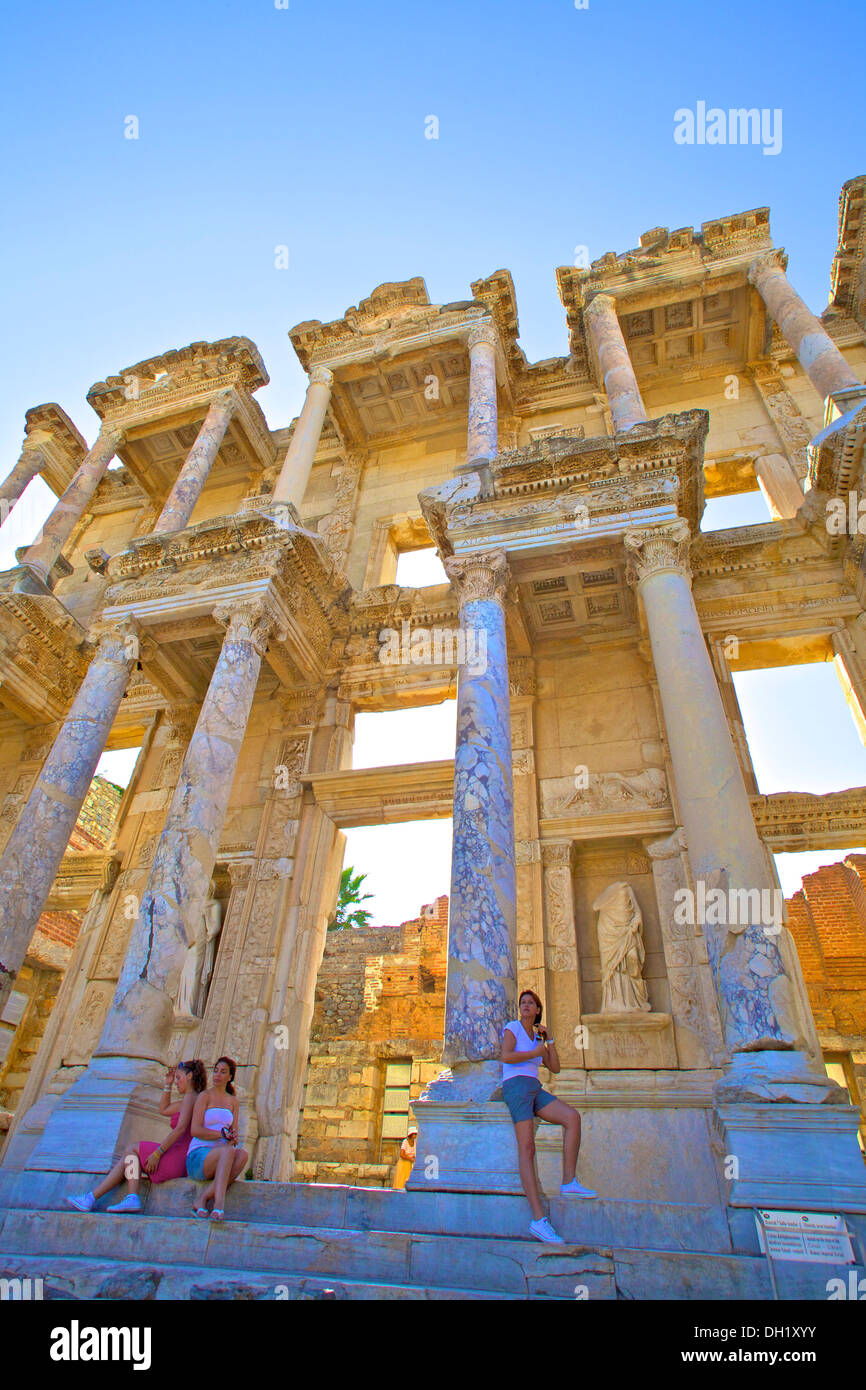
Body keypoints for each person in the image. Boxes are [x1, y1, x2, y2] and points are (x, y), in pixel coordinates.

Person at [501, 989, 597, 1244]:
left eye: (530, 1003)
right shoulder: (513, 1028)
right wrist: (536, 1053)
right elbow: (506, 1056)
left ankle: (568, 1181)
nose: (525, 1006)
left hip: (534, 1088)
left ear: (538, 1010)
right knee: (527, 1148)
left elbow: (555, 1068)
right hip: (516, 1087)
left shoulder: (537, 1037)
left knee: (572, 1118)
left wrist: (549, 1041)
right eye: (522, 1002)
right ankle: (538, 1219)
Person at [66, 1058, 207, 1214]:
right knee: (129, 1158)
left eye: (178, 1078)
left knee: (131, 1150)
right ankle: (92, 1198)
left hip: (176, 1157)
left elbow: (180, 1129)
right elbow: (164, 1109)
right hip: (179, 1158)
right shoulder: (192, 1098)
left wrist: (157, 1153)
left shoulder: (190, 1097)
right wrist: (166, 1084)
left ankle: (127, 1197)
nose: (176, 1082)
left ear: (189, 1077)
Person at [186, 1055, 248, 1221]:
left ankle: (203, 1199)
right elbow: (195, 1130)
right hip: (199, 1156)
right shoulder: (205, 1096)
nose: (217, 1075)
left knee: (242, 1154)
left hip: (221, 1156)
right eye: (215, 1071)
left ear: (230, 1077)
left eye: (223, 1072)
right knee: (228, 1152)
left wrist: (232, 1138)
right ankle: (219, 1205)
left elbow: (234, 1133)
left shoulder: (233, 1102)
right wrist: (219, 1134)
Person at [392, 1124, 418, 1190]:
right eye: (414, 1134)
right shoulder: (405, 1142)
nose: (415, 1135)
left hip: (410, 1165)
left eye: (416, 1134)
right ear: (411, 1134)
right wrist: (410, 1158)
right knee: (401, 1181)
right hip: (403, 1164)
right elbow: (402, 1154)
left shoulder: (415, 1143)